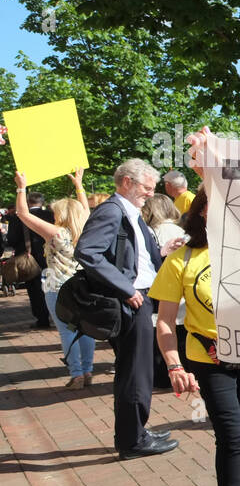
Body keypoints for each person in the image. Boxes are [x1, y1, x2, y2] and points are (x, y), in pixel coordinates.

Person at [152, 189, 240, 486]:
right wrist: (173, 365)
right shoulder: (181, 259)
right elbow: (165, 322)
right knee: (232, 436)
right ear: (201, 212)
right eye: (214, 205)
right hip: (209, 358)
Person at [74, 159, 180, 459]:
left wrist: (163, 252)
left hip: (137, 297)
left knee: (136, 370)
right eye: (146, 188)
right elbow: (87, 252)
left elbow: (135, 256)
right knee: (136, 371)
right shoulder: (112, 211)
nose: (150, 194)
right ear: (126, 183)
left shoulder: (127, 212)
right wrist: (127, 288)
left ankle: (135, 432)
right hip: (131, 300)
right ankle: (133, 440)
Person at [13, 169, 95, 387]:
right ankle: (87, 371)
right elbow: (85, 209)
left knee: (67, 330)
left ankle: (76, 373)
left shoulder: (57, 233)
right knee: (86, 329)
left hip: (57, 286)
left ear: (63, 215)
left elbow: (23, 214)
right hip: (85, 286)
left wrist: (21, 186)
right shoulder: (87, 228)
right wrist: (79, 185)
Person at [6, 186, 54, 328]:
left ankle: (42, 319)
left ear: (27, 202)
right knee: (53, 287)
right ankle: (59, 316)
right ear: (42, 202)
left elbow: (12, 239)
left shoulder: (18, 218)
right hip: (50, 257)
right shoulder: (50, 215)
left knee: (34, 290)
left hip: (29, 260)